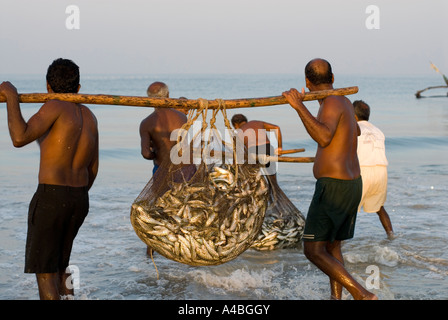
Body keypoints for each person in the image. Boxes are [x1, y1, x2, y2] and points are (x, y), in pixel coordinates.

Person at [0, 58, 99, 300]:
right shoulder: (89, 115)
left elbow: (19, 137)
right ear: (78, 88)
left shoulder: (54, 106)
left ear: (47, 86)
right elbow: (93, 167)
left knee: (45, 271)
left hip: (51, 197)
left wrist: (11, 97)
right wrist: (76, 194)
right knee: (62, 265)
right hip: (79, 198)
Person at [282, 58, 377, 300]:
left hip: (334, 187)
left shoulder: (332, 103)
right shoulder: (343, 101)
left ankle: (362, 295)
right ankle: (337, 298)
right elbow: (354, 131)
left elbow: (323, 138)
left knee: (313, 250)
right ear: (332, 78)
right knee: (333, 247)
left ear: (306, 81)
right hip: (352, 184)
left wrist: (298, 106)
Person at [139, 82, 188, 255]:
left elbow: (145, 153)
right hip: (187, 171)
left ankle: (151, 254)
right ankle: (183, 252)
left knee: (159, 212)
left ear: (149, 100)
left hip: (162, 171)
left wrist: (155, 152)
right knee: (184, 210)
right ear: (168, 96)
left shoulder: (147, 123)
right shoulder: (183, 118)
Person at [353, 100, 394, 239]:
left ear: (353, 115)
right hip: (381, 171)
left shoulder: (354, 128)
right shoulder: (378, 131)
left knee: (349, 209)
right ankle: (391, 235)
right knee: (379, 207)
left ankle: (341, 242)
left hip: (363, 170)